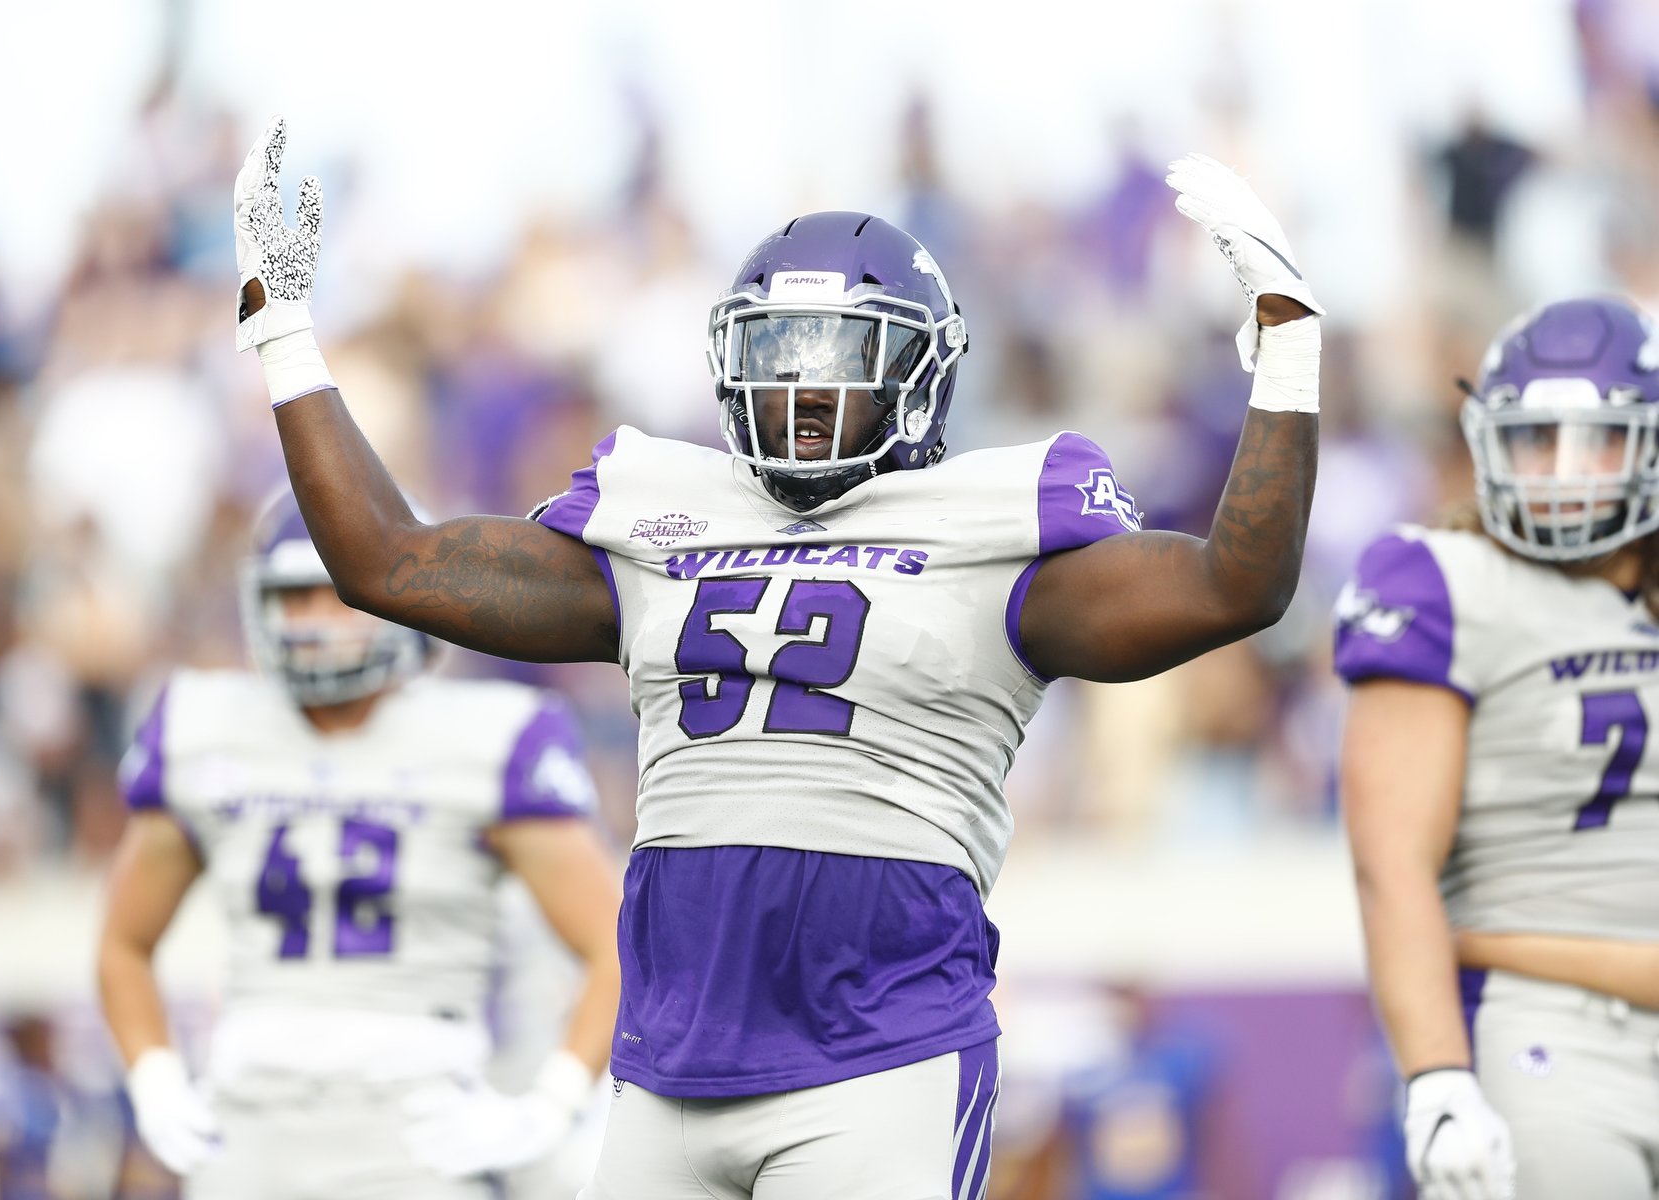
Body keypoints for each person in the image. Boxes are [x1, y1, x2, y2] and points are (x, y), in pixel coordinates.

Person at [233, 117, 1322, 1199]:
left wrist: (1288, 349)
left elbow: (1239, 582)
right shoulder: (662, 511)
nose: (803, 387)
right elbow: (387, 564)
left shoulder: (996, 522)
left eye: (842, 354)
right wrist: (284, 336)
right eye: (777, 350)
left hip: (879, 1058)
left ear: (922, 370)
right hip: (669, 1061)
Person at [95, 489, 623, 1200]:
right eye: (295, 600)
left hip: (415, 1118)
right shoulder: (205, 727)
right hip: (250, 1114)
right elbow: (123, 941)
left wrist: (553, 1101)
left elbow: (618, 946)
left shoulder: (489, 737)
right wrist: (155, 1079)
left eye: (337, 597)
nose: (315, 625)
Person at [1337, 295, 1659, 1200]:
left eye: (1594, 439)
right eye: (1534, 440)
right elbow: (1390, 864)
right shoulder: (1443, 577)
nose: (1561, 473)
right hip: (1554, 1043)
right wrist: (1438, 1075)